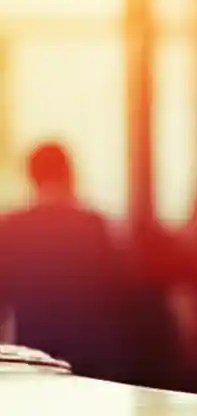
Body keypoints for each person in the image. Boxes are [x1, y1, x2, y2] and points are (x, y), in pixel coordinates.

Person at [0, 142, 129, 381]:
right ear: (69, 173)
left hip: (35, 355)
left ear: (32, 176)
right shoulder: (93, 226)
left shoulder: (11, 228)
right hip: (93, 354)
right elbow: (117, 292)